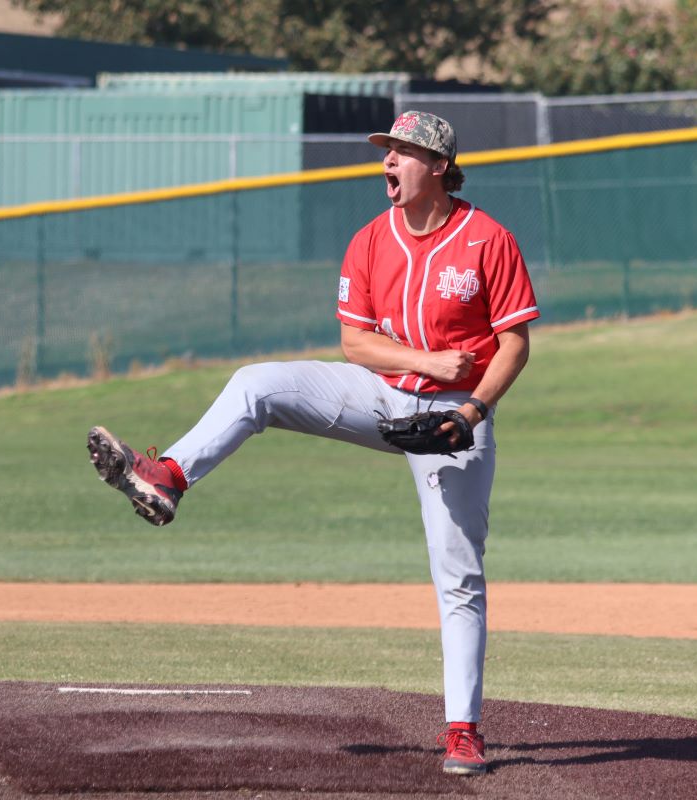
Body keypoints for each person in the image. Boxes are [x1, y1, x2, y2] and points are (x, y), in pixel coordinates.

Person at [86, 110, 540, 777]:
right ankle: (170, 476)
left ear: (439, 167)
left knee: (459, 573)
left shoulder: (487, 239)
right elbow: (355, 344)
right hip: (381, 395)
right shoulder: (368, 241)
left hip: (453, 418)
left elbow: (516, 345)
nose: (389, 162)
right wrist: (427, 360)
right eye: (386, 151)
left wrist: (471, 410)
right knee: (257, 384)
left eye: (404, 152)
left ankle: (464, 731)